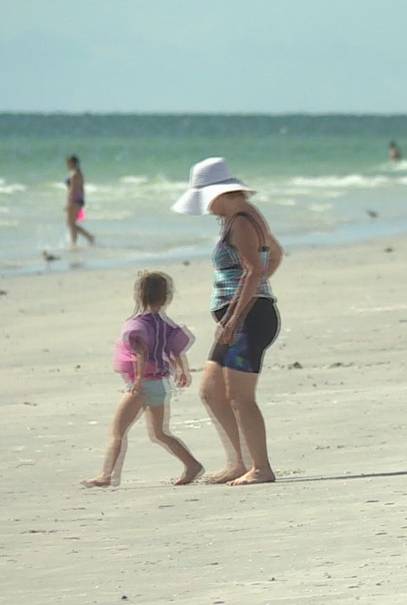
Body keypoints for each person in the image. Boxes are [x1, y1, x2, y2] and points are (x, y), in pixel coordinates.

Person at [171, 157, 284, 486]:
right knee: (210, 391)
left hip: (248, 320)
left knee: (239, 396)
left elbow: (252, 270)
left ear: (219, 193)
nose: (206, 209)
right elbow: (273, 255)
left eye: (206, 200)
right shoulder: (242, 217)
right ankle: (239, 462)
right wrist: (257, 289)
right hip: (245, 315)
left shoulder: (242, 222)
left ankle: (261, 468)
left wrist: (235, 317)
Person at [82, 272, 200, 487]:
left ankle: (107, 475)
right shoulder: (164, 324)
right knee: (160, 433)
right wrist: (184, 371)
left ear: (139, 295)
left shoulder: (137, 325)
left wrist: (136, 381)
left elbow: (140, 353)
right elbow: (176, 350)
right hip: (159, 384)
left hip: (142, 384)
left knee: (117, 430)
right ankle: (192, 465)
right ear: (166, 298)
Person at [64, 155, 95, 248]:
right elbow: (81, 188)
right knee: (72, 223)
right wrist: (82, 200)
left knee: (70, 223)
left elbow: (73, 189)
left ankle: (89, 236)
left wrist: (68, 202)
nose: (67, 164)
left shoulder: (74, 174)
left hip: (74, 199)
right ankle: (74, 243)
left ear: (73, 163)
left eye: (68, 162)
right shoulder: (79, 173)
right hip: (79, 199)